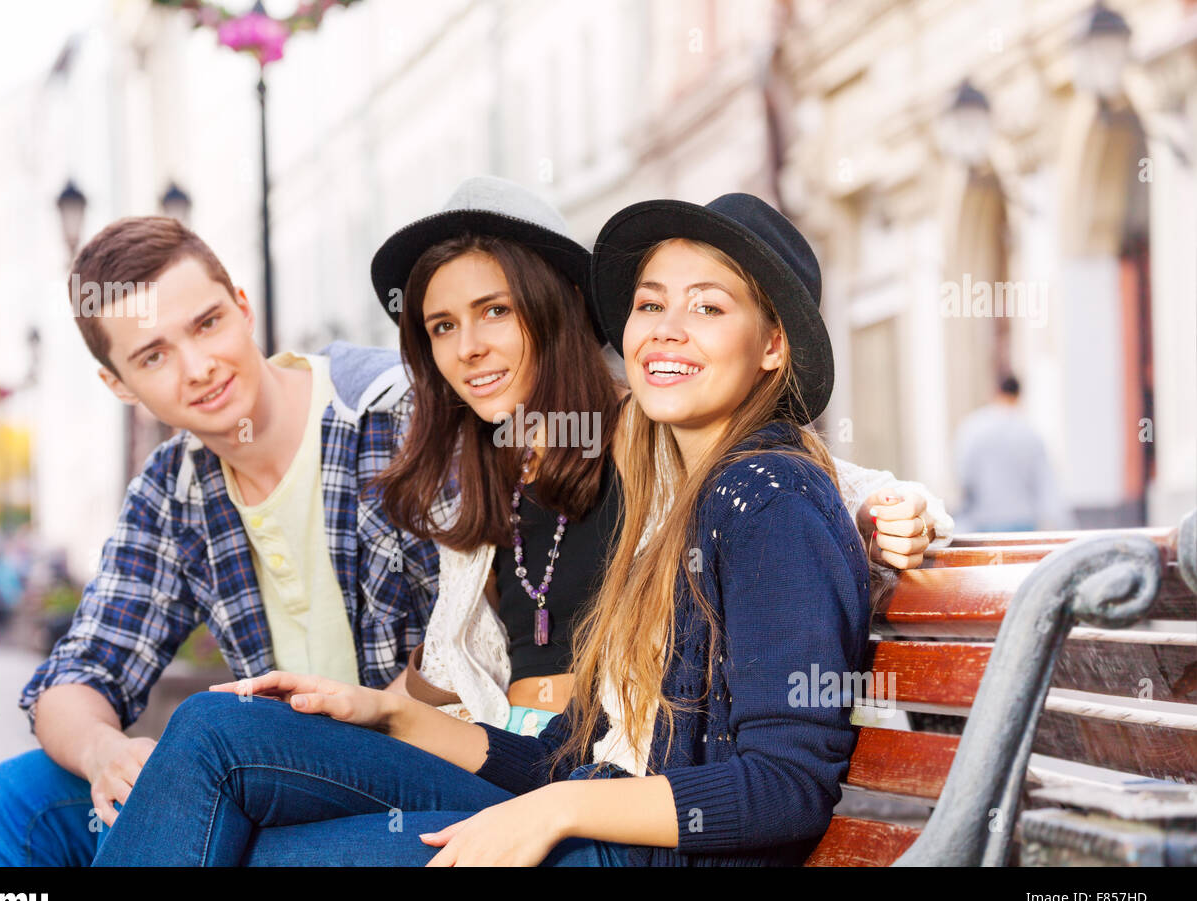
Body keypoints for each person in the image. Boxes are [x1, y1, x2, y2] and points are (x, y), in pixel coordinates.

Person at [90, 192, 893, 865]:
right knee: (209, 728)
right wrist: (390, 712)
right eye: (650, 305)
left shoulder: (766, 492)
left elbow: (784, 786)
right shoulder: (681, 499)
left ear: (772, 345)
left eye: (708, 308)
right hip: (595, 807)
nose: (666, 329)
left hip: (644, 848)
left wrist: (554, 812)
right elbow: (583, 756)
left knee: (259, 836)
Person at [371, 176, 951, 735]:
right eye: (442, 326)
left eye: (495, 310)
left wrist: (882, 511)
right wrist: (355, 711)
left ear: (563, 304)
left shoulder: (646, 429)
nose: (468, 347)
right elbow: (461, 667)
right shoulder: (492, 470)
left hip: (608, 774)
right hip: (513, 755)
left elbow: (798, 484)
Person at [0, 217, 441, 866]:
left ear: (243, 310)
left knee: (213, 742)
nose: (199, 368)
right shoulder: (174, 489)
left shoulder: (397, 418)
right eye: (153, 356)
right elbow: (79, 672)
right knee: (23, 797)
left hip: (431, 767)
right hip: (278, 781)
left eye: (207, 324)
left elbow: (487, 655)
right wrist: (106, 753)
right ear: (120, 387)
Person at [953, 374, 1071, 532]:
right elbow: (1045, 481)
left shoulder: (973, 428)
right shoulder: (1030, 433)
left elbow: (964, 476)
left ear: (995, 392)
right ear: (1018, 395)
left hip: (984, 520)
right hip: (1023, 521)